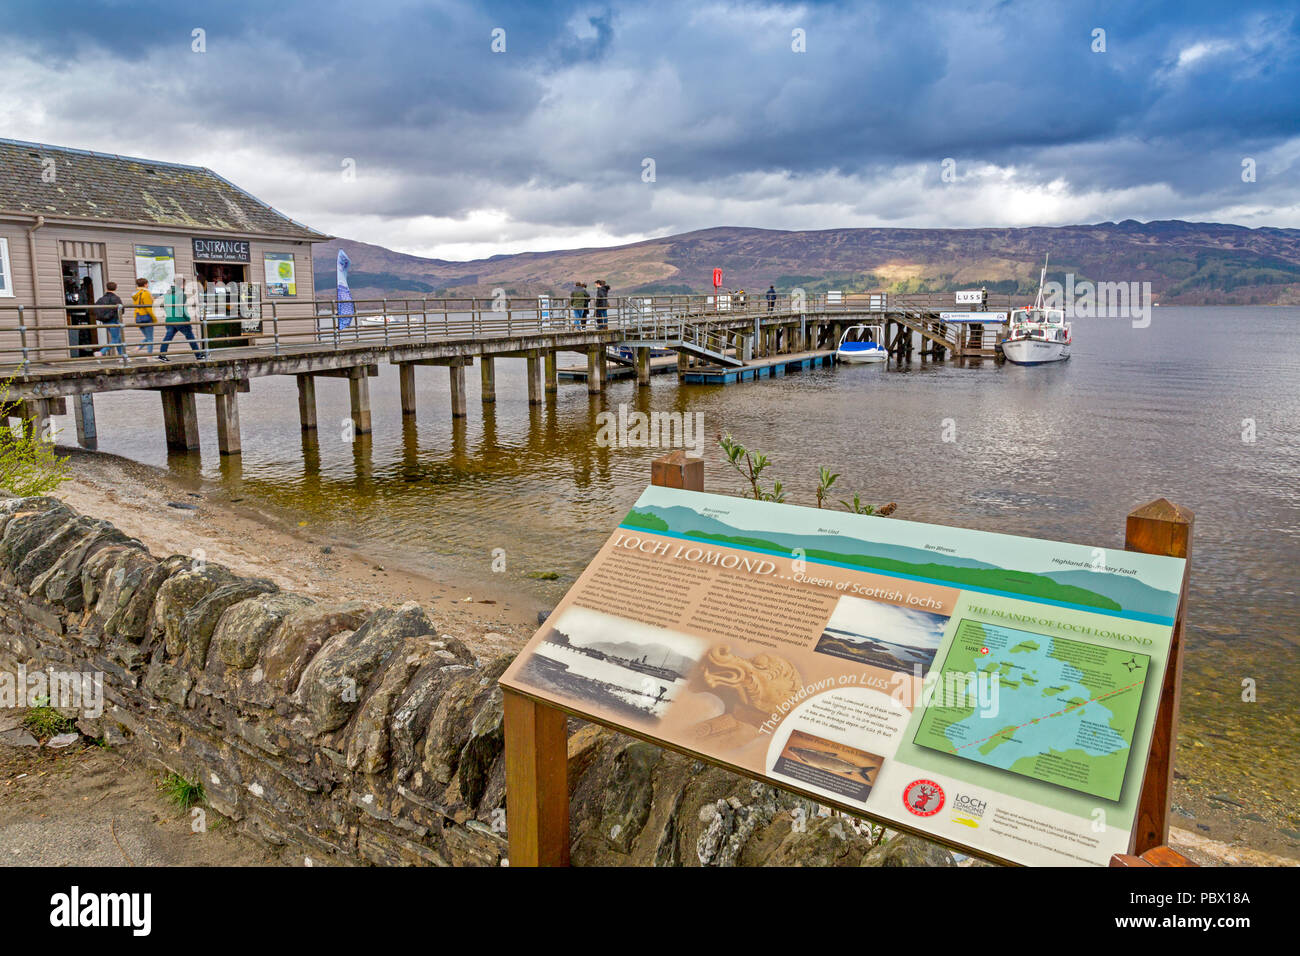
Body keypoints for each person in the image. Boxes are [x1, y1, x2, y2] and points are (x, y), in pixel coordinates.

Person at [158, 282, 206, 362]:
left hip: (169, 320)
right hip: (180, 320)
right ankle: (198, 355)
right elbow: (182, 309)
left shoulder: (166, 295)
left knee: (167, 338)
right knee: (190, 337)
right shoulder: (181, 294)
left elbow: (164, 306)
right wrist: (187, 318)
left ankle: (162, 355)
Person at [94, 281, 124, 357]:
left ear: (106, 288)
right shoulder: (116, 298)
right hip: (113, 321)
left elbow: (96, 309)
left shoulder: (101, 299)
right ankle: (101, 352)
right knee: (116, 339)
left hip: (105, 321)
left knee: (118, 338)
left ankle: (122, 356)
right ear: (115, 288)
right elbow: (122, 311)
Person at [132, 278, 156, 354]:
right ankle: (149, 356)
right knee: (150, 338)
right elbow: (148, 308)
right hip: (146, 317)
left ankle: (137, 348)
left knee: (148, 338)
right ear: (145, 284)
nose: (148, 285)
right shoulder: (146, 293)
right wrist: (154, 318)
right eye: (147, 283)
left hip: (138, 317)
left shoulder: (136, 293)